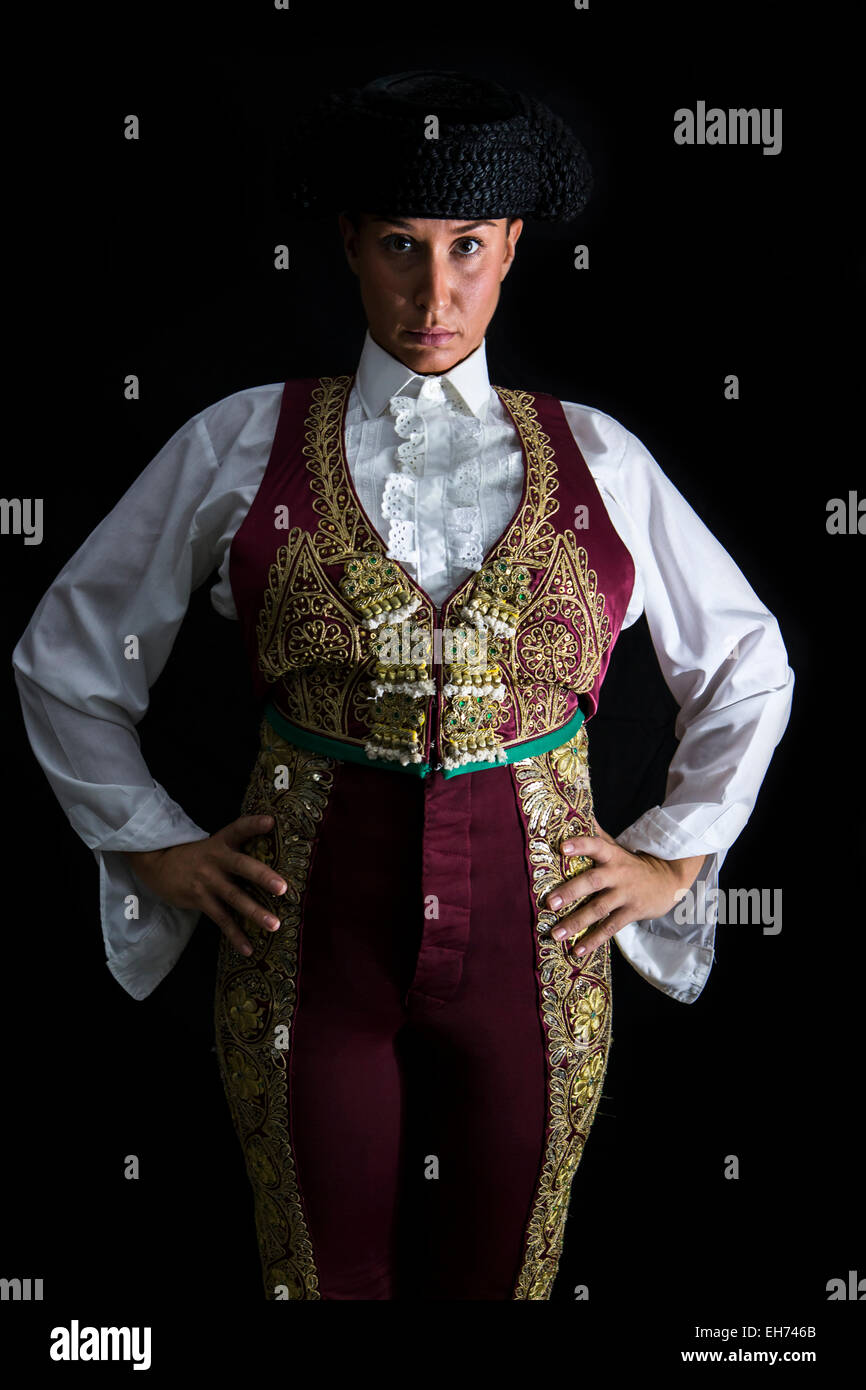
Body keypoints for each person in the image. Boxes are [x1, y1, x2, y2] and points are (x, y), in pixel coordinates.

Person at [12, 69, 794, 1301]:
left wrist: (674, 857)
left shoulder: (600, 454)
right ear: (348, 245)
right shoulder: (237, 439)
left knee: (510, 1279)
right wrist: (149, 843)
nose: (435, 293)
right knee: (317, 1279)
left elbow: (749, 663)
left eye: (467, 249)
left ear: (512, 246)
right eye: (399, 247)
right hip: (300, 941)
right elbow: (67, 651)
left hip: (542, 944)